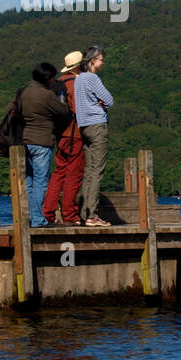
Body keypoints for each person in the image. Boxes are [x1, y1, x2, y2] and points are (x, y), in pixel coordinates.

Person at [20, 62, 72, 228]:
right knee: (41, 182)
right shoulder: (46, 95)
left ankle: (27, 217)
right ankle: (37, 219)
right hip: (42, 141)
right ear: (48, 78)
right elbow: (64, 112)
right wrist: (62, 97)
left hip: (24, 140)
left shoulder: (24, 92)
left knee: (28, 181)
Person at [41, 51, 86, 225]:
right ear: (80, 66)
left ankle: (47, 212)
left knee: (58, 173)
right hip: (75, 134)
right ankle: (70, 214)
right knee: (74, 174)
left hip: (60, 134)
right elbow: (77, 109)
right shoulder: (77, 83)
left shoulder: (59, 83)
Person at [75, 45, 114, 227]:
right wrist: (100, 103)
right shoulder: (93, 78)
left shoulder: (78, 79)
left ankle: (84, 213)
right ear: (93, 60)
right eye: (101, 59)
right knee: (97, 171)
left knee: (89, 171)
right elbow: (109, 100)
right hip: (97, 125)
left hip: (83, 126)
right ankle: (92, 214)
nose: (102, 62)